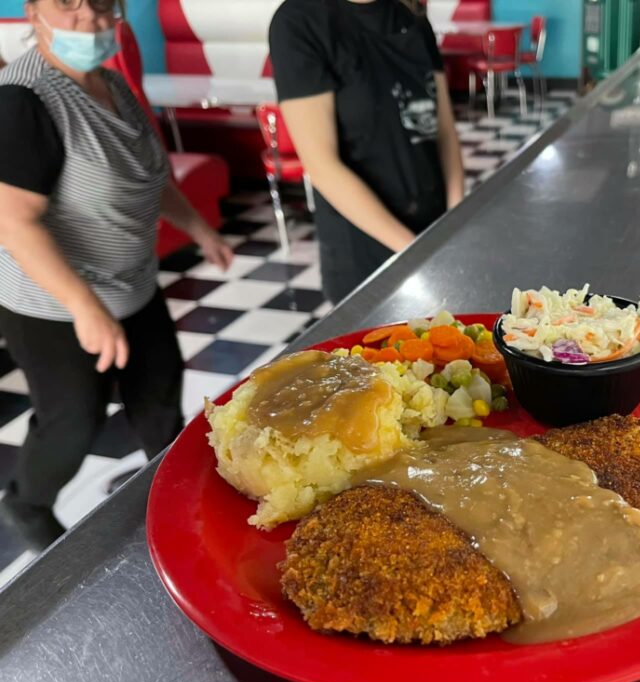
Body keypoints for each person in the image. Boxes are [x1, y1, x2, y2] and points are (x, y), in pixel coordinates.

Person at [0, 0, 234, 550]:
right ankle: (28, 505)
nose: (88, 16)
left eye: (102, 3)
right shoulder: (22, 101)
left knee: (159, 399)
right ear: (34, 12)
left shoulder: (112, 83)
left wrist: (201, 229)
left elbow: (148, 177)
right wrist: (85, 307)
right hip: (52, 303)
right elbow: (15, 223)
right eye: (68, 4)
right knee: (72, 422)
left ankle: (173, 499)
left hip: (133, 285)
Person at [269, 0, 465, 305]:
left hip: (432, 234)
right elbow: (322, 166)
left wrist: (453, 224)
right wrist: (416, 252)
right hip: (365, 252)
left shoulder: (412, 19)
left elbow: (445, 133)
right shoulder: (300, 22)